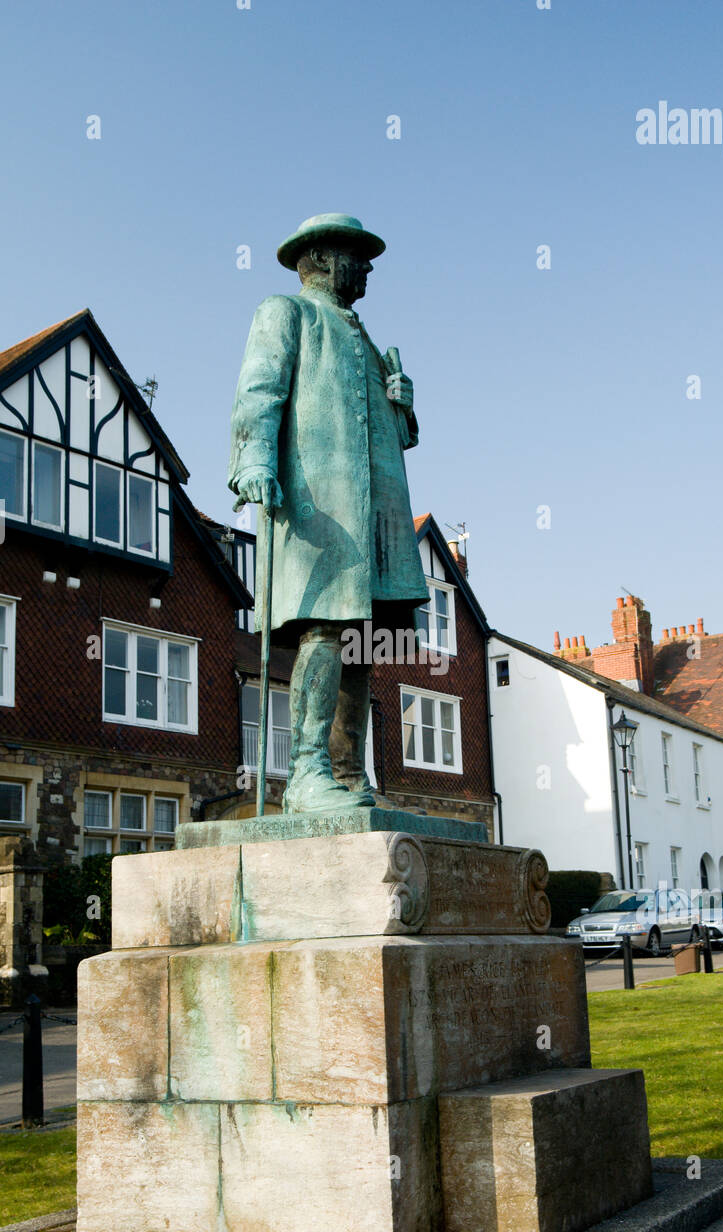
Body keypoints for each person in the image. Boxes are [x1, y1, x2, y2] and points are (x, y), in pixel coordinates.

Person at [229, 214, 429, 814]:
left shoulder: (367, 338)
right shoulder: (285, 312)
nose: (367, 268)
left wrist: (403, 409)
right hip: (318, 502)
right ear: (321, 257)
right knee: (323, 625)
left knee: (362, 641)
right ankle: (307, 772)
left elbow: (393, 436)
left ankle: (348, 775)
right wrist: (255, 457)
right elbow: (259, 389)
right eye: (357, 256)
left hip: (378, 516)